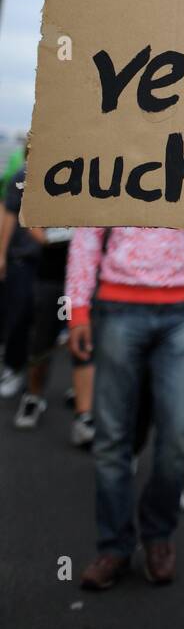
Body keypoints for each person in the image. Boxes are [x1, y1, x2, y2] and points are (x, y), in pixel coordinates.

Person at [67, 226, 184, 589]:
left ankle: (158, 536)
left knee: (178, 435)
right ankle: (114, 544)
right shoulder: (112, 164)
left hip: (182, 307)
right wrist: (78, 308)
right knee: (111, 436)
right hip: (118, 306)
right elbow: (87, 230)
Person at [13, 226, 95, 444]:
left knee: (85, 345)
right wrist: (48, 238)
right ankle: (34, 396)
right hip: (54, 275)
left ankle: (83, 414)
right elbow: (32, 215)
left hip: (88, 278)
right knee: (43, 341)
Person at [0, 152, 41, 398]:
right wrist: (2, 255)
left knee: (55, 320)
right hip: (23, 260)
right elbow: (8, 214)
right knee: (19, 316)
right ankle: (13, 368)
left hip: (58, 264)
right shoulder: (23, 175)